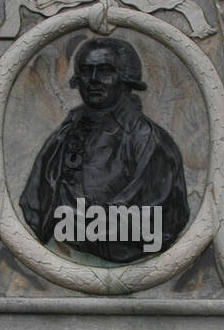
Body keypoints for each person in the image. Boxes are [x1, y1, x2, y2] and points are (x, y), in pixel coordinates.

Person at [19, 33, 189, 263]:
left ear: (127, 79)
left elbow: (157, 223)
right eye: (86, 71)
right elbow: (35, 203)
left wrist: (79, 221)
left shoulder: (149, 140)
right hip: (61, 258)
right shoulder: (65, 134)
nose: (93, 79)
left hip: (122, 262)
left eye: (106, 70)